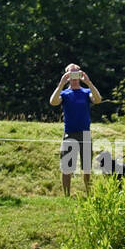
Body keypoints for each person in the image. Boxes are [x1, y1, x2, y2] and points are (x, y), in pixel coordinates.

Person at [50, 63, 103, 196]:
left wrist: (89, 83)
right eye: (71, 74)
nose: (74, 77)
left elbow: (97, 100)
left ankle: (89, 193)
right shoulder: (65, 93)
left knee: (86, 167)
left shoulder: (86, 92)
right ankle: (66, 195)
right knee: (66, 167)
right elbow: (53, 102)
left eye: (76, 73)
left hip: (85, 133)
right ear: (67, 76)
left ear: (80, 75)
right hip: (69, 133)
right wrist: (61, 84)